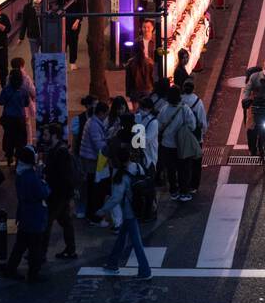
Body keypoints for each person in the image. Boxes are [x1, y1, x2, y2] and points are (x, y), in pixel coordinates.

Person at [99, 144, 152, 279]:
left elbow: (116, 198)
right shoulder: (138, 167)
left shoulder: (120, 175)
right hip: (141, 206)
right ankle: (112, 263)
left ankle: (145, 271)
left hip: (129, 211)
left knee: (136, 243)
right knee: (122, 237)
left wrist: (103, 210)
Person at [3, 146, 50, 284]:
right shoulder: (31, 176)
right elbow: (43, 192)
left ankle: (10, 269)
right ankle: (33, 273)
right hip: (34, 214)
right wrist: (45, 184)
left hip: (24, 213)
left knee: (20, 244)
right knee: (35, 246)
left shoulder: (20, 174)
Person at [42, 122, 78, 260]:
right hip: (60, 193)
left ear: (54, 135)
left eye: (46, 134)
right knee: (65, 221)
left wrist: (70, 195)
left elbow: (65, 176)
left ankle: (40, 253)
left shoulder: (60, 151)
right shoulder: (57, 149)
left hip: (58, 194)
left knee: (47, 223)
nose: (44, 137)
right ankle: (70, 249)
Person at [158, 86, 197, 200]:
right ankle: (184, 191)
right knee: (184, 168)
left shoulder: (164, 109)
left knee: (171, 169)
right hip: (182, 144)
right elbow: (193, 126)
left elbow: (159, 126)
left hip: (167, 144)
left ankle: (173, 191)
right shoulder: (185, 109)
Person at [80, 100, 110, 223]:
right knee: (94, 189)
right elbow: (99, 145)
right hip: (92, 160)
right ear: (101, 113)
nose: (106, 117)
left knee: (92, 188)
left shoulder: (93, 122)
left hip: (90, 158)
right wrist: (108, 144)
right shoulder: (94, 125)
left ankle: (91, 215)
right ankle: (93, 217)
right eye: (106, 114)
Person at [0, 68, 31, 167]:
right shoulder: (24, 89)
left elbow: (1, 102)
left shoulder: (6, 89)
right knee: (20, 140)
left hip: (8, 118)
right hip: (20, 118)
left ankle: (9, 156)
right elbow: (27, 103)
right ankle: (18, 160)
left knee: (9, 138)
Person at [181, 80, 208, 194]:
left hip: (182, 135)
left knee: (183, 161)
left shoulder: (180, 101)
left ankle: (184, 183)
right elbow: (202, 121)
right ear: (193, 89)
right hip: (195, 136)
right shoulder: (198, 102)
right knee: (196, 161)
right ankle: (194, 185)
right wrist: (203, 132)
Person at [9, 55, 37, 144]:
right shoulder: (26, 77)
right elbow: (32, 90)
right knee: (27, 124)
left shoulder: (8, 78)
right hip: (24, 106)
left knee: (14, 126)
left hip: (12, 106)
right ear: (22, 66)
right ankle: (29, 143)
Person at [60, 0, 83, 70]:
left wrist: (78, 20)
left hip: (74, 20)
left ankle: (72, 61)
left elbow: (83, 6)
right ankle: (63, 61)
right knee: (63, 42)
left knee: (73, 41)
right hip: (64, 21)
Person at [18, 0, 44, 69]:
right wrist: (21, 37)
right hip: (33, 36)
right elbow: (24, 23)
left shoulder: (46, 6)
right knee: (35, 57)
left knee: (45, 56)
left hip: (45, 35)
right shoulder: (27, 7)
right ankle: (35, 77)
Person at [125, 38, 153, 103]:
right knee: (146, 110)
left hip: (135, 90)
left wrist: (128, 92)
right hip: (147, 89)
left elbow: (128, 80)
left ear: (134, 50)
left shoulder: (130, 63)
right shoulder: (149, 62)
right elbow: (152, 77)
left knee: (136, 111)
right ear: (143, 49)